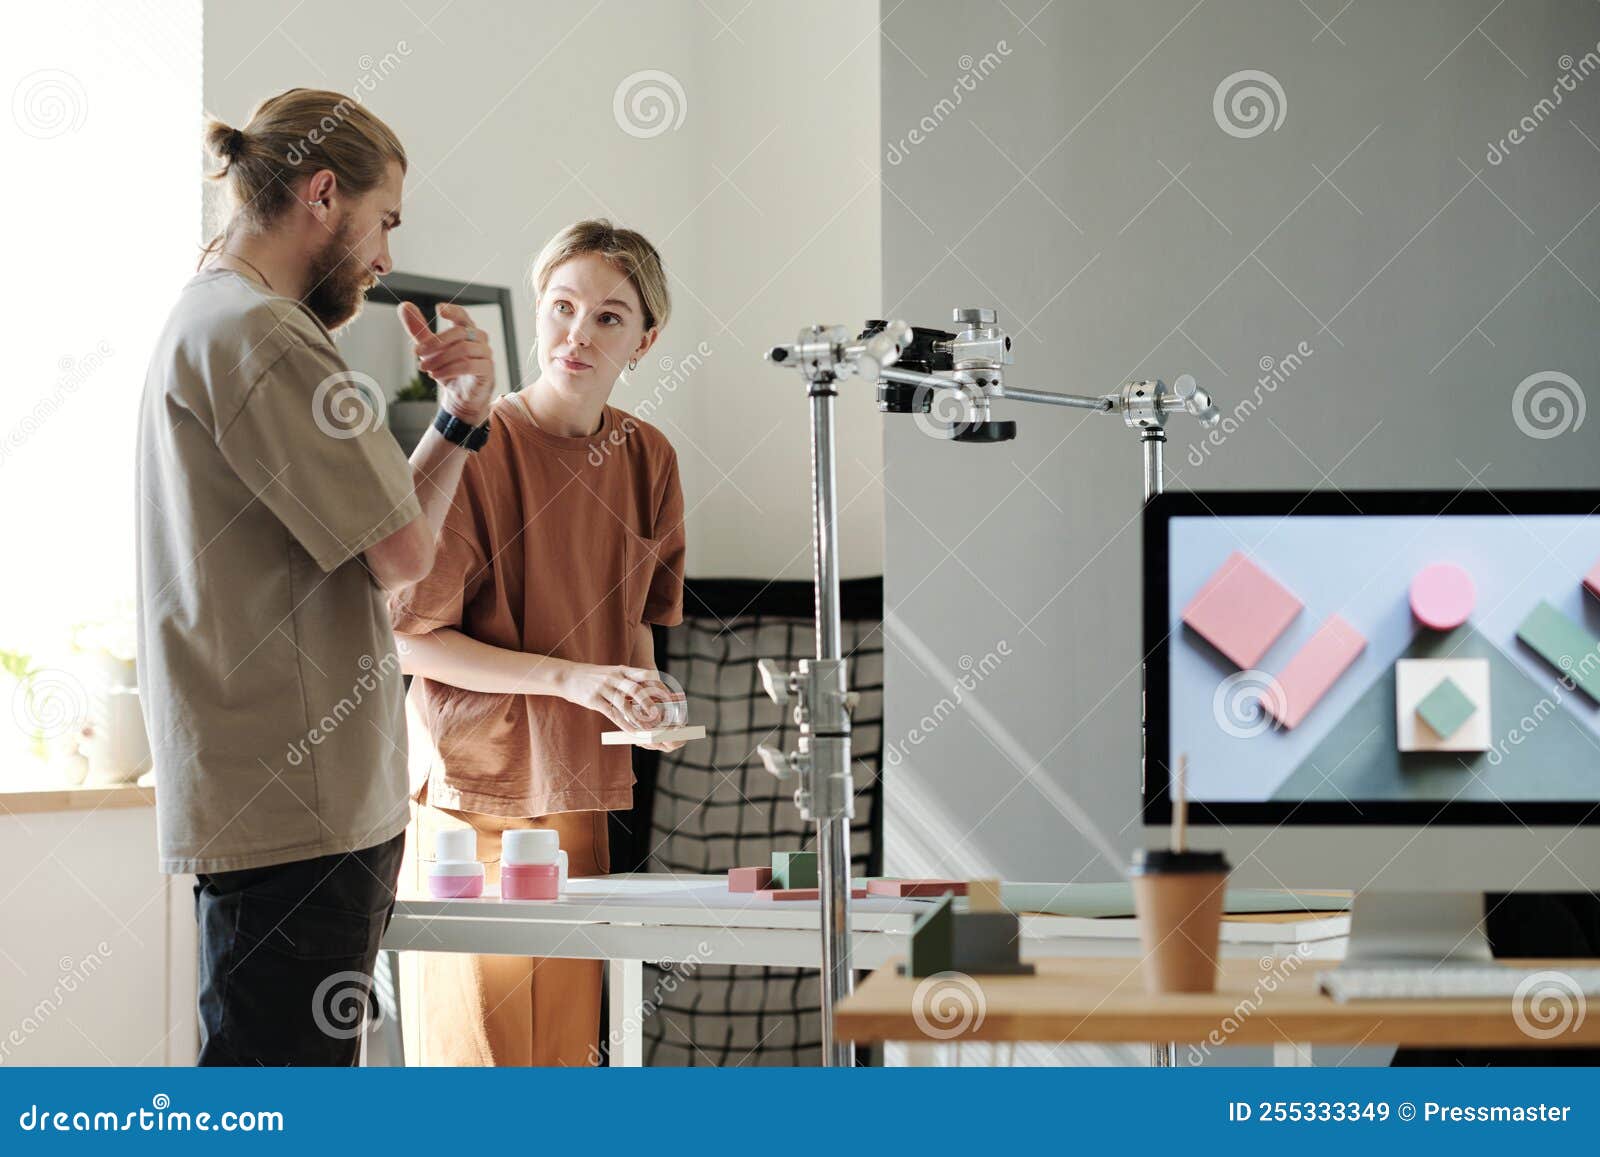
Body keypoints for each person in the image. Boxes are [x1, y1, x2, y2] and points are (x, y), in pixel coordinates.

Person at [136, 88, 498, 1065]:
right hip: (301, 811)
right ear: (323, 193)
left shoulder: (207, 316)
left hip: (269, 796)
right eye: (385, 221)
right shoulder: (266, 334)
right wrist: (462, 418)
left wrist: (454, 417)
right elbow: (405, 555)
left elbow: (373, 543)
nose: (385, 257)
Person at [389, 219, 686, 1066]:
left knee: (561, 1058)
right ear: (537, 308)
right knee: (477, 1063)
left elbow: (633, 623)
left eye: (609, 317)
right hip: (470, 799)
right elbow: (409, 637)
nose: (578, 333)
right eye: (562, 306)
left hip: (578, 793)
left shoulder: (649, 458)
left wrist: (646, 699)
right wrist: (572, 679)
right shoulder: (475, 451)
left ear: (646, 339)